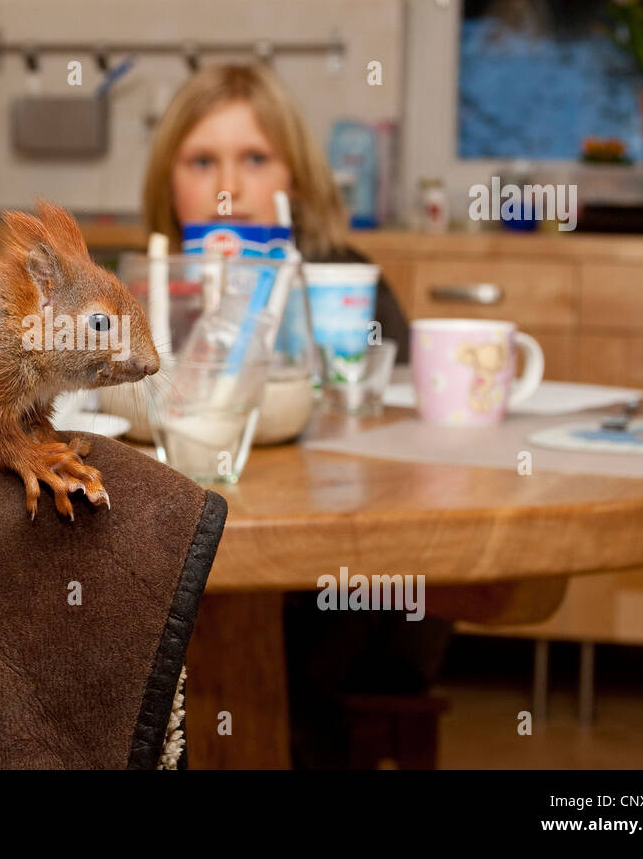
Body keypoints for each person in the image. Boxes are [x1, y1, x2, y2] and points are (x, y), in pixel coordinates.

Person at [140, 62, 450, 768]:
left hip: (332, 603)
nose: (229, 186)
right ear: (169, 185)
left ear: (296, 180)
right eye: (202, 161)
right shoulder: (145, 293)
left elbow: (397, 454)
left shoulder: (348, 288)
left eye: (254, 158)